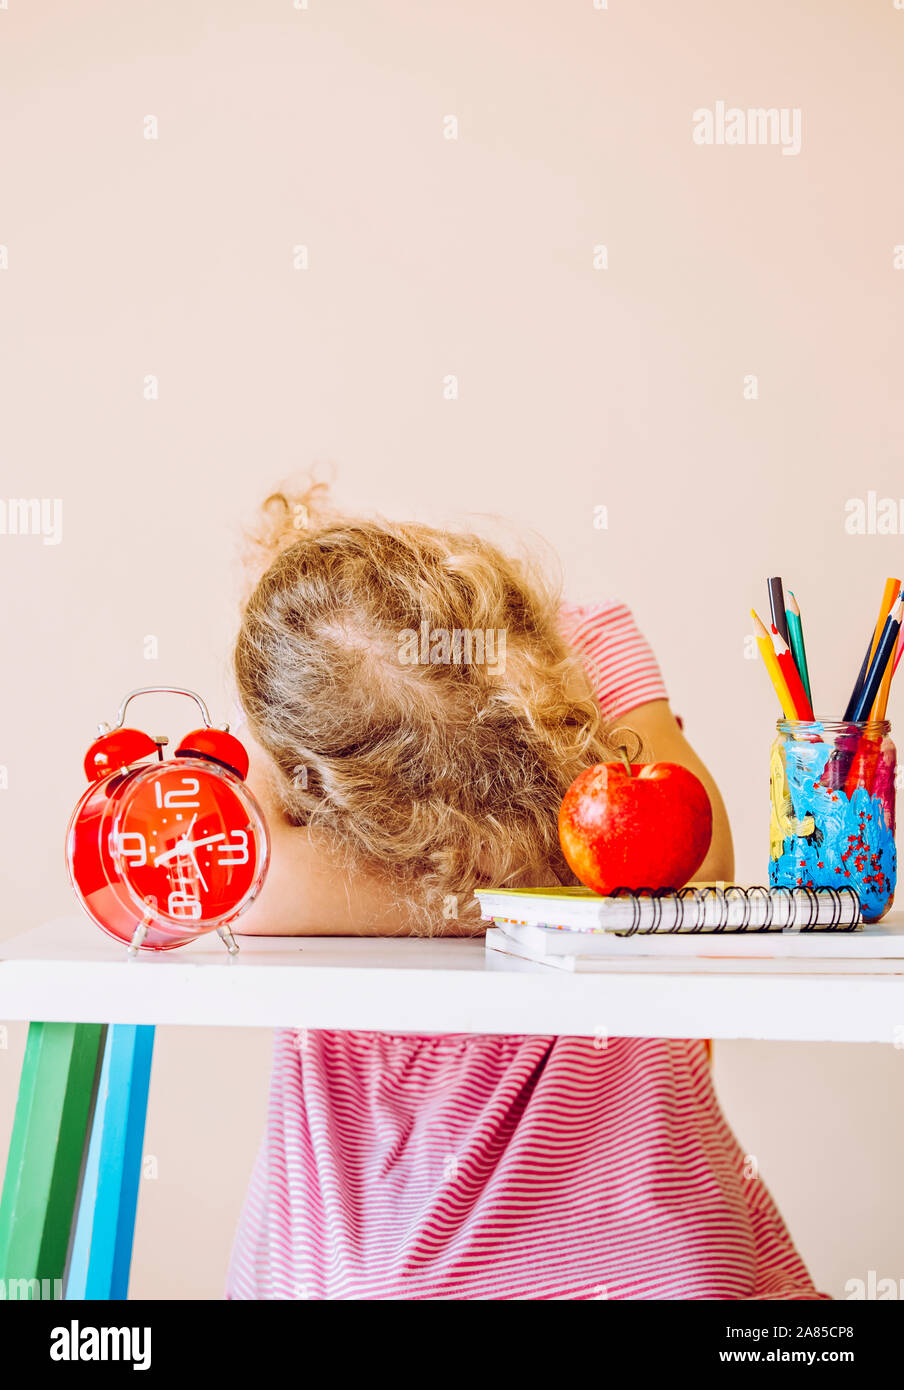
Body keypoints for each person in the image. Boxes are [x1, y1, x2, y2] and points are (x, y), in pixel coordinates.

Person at [226, 482, 825, 1300]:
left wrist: (448, 878)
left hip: (639, 1246)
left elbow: (697, 869)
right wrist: (541, 881)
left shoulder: (586, 641)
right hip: (394, 1250)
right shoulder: (313, 712)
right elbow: (249, 885)